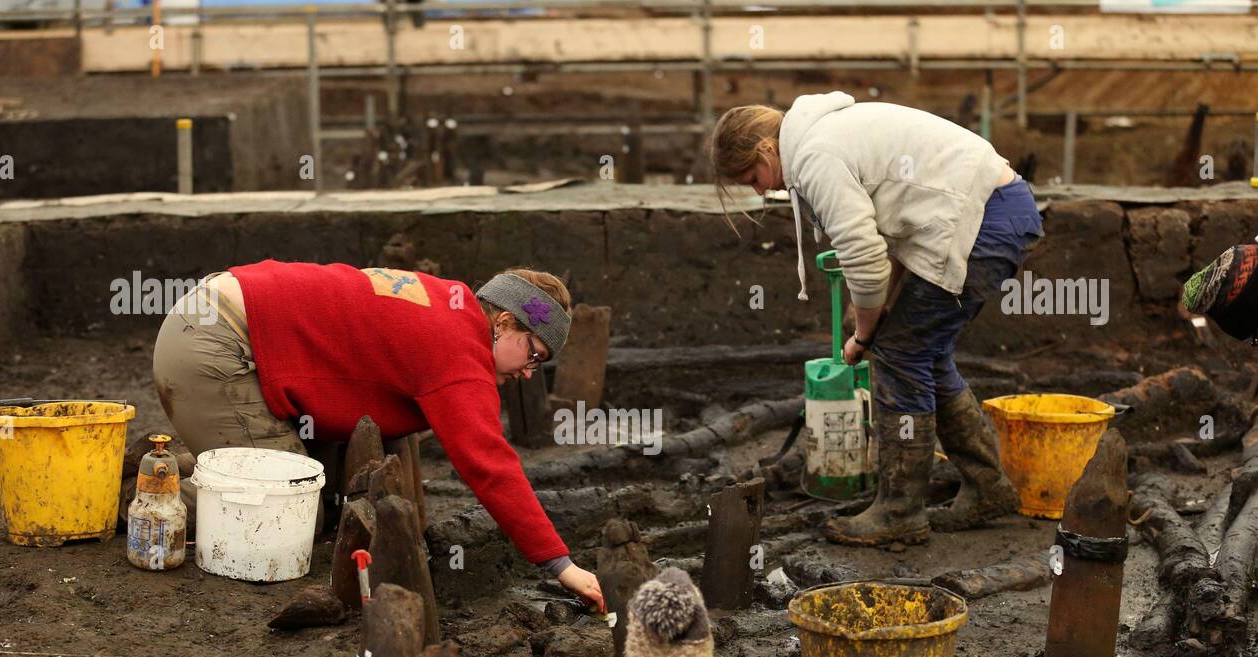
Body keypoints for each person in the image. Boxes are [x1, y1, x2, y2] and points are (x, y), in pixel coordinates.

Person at [139, 260, 604, 611]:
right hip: (215, 342)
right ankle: (143, 500)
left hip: (219, 318)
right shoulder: (459, 350)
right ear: (502, 324)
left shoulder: (450, 304)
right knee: (291, 516)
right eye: (533, 356)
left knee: (307, 490)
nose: (528, 374)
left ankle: (158, 466)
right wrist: (560, 564)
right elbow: (489, 463)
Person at [710, 92, 1044, 545]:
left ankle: (900, 510)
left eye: (752, 177)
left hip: (984, 221)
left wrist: (867, 334)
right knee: (925, 354)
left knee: (901, 355)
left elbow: (865, 255)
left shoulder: (814, 156)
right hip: (993, 209)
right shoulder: (826, 132)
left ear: (766, 150)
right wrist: (878, 312)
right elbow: (910, 229)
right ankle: (988, 486)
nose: (758, 190)